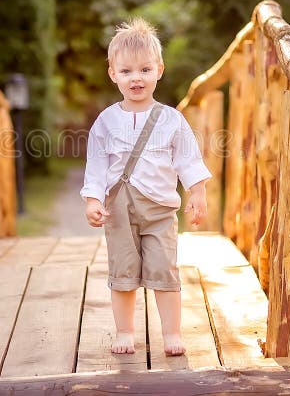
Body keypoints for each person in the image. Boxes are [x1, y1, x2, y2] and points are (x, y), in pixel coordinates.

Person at [80, 18, 210, 356]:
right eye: (126, 72)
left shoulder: (171, 119)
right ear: (113, 74)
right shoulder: (106, 122)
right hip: (118, 209)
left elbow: (188, 158)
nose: (136, 78)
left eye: (144, 69)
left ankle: (171, 333)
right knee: (122, 271)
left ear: (159, 70)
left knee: (164, 270)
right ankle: (125, 332)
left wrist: (197, 192)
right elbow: (96, 166)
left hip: (159, 210)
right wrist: (93, 199)